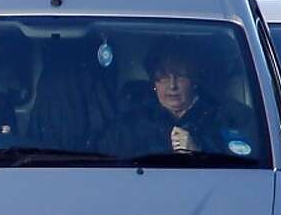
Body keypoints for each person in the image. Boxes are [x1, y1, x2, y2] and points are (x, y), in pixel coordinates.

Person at [103, 50, 245, 156]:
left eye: (180, 76)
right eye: (163, 77)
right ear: (154, 83)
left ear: (194, 81)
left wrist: (198, 152)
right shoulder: (132, 121)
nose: (172, 86)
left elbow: (241, 171)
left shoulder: (224, 118)